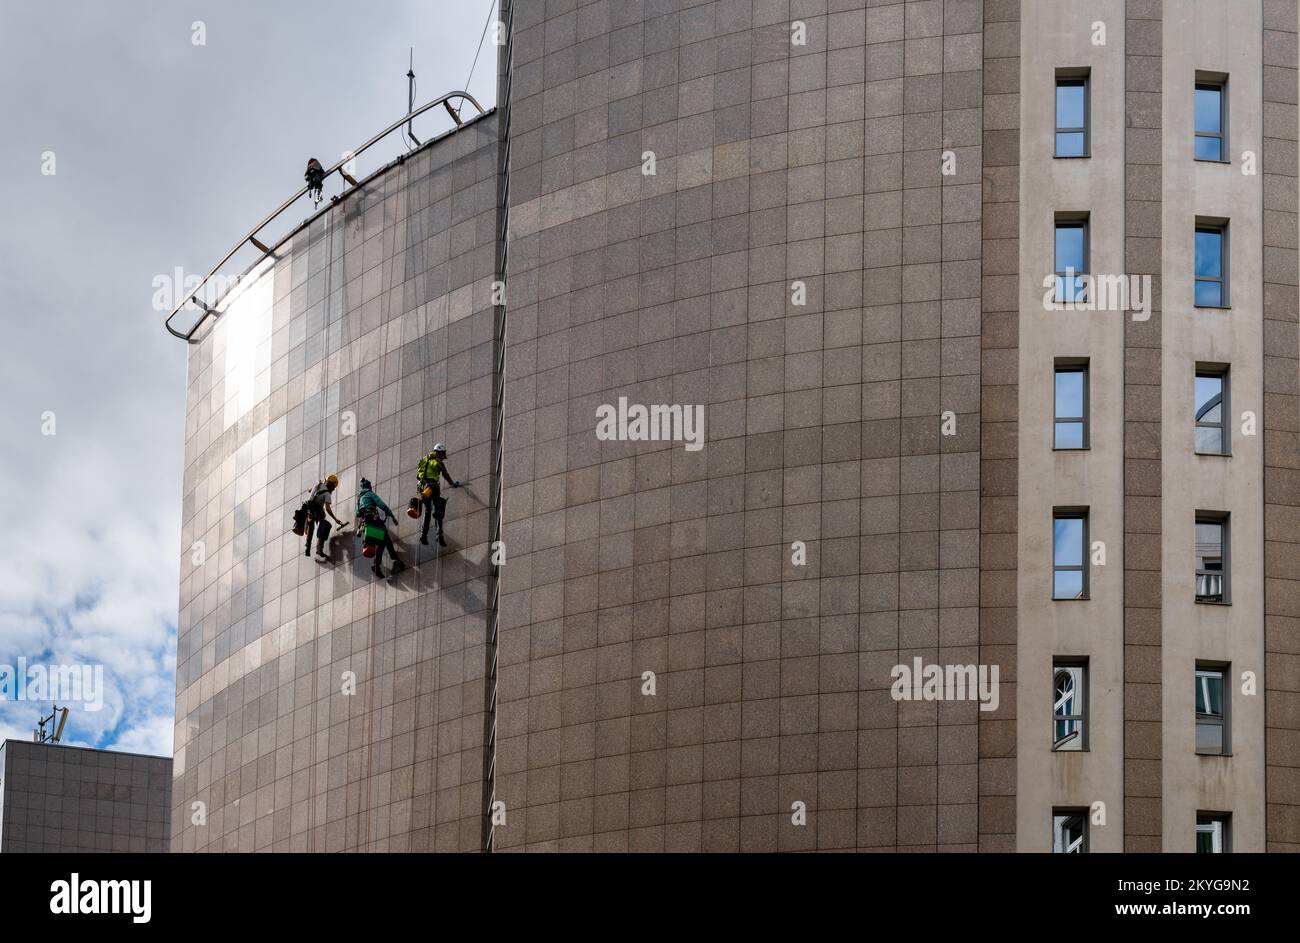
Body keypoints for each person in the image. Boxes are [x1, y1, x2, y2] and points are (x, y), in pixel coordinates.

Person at [356, 478, 407, 578]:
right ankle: (393, 559)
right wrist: (392, 516)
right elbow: (382, 505)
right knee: (385, 538)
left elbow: (358, 513)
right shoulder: (370, 494)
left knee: (383, 541)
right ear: (369, 487)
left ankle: (378, 565)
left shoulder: (359, 499)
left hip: (368, 526)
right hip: (374, 522)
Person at [416, 442, 461, 547]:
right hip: (433, 487)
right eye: (442, 453)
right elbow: (445, 474)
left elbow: (418, 476)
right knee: (438, 511)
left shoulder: (423, 459)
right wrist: (452, 484)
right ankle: (439, 535)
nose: (443, 456)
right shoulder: (437, 461)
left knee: (427, 511)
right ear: (439, 452)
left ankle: (423, 535)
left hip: (423, 489)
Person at [304, 474, 345, 562]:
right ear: (331, 485)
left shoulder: (318, 485)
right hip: (316, 510)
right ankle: (319, 552)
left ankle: (307, 548)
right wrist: (335, 519)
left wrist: (310, 490)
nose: (333, 489)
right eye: (334, 487)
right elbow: (327, 508)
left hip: (308, 508)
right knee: (325, 525)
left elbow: (310, 491)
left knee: (311, 528)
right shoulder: (327, 494)